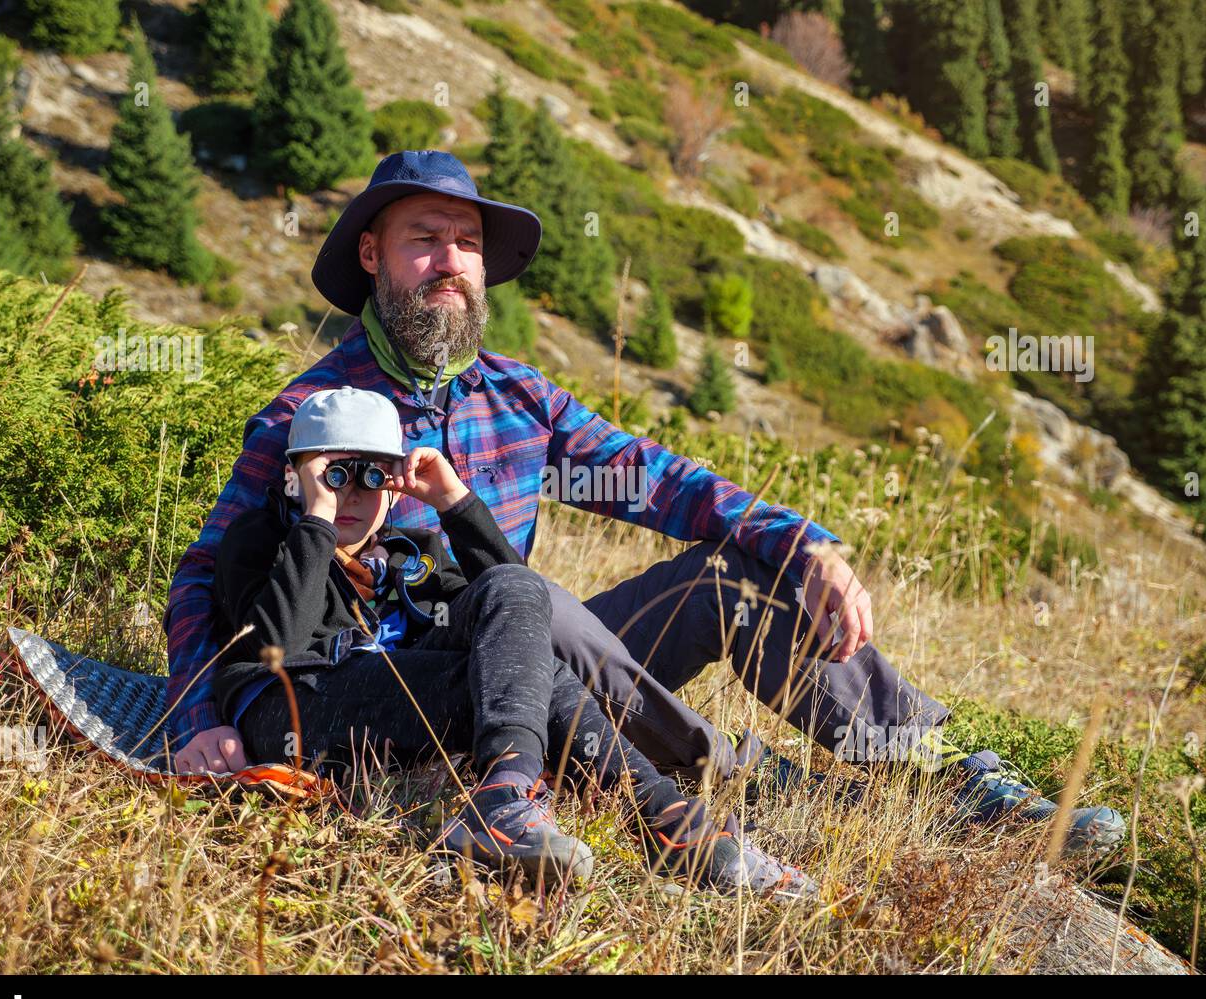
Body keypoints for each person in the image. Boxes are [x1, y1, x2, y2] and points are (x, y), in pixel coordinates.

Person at [170, 148, 1125, 856]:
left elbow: (663, 484)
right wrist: (194, 717)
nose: (451, 262)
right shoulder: (315, 414)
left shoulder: (521, 396)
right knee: (526, 606)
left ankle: (933, 769)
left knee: (729, 576)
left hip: (547, 643)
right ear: (373, 256)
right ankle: (736, 772)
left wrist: (809, 544)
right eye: (425, 240)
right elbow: (210, 570)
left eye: (466, 242)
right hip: (430, 685)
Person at [212, 385, 817, 897]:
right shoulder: (259, 541)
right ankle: (643, 823)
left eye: (367, 476)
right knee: (520, 682)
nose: (348, 495)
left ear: (394, 486)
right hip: (291, 704)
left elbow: (519, 603)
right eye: (330, 474)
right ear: (295, 476)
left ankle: (652, 821)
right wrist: (314, 523)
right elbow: (276, 649)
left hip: (400, 703)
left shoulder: (408, 553)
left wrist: (455, 504)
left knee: (526, 667)